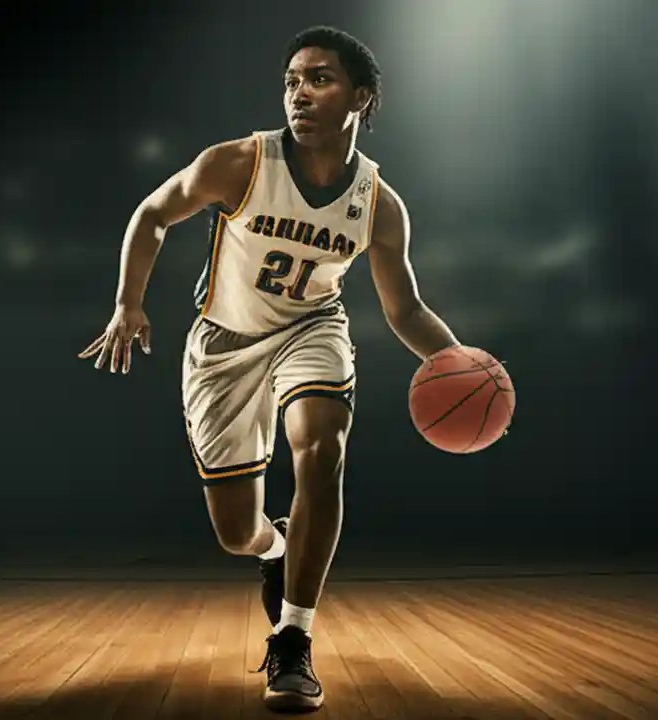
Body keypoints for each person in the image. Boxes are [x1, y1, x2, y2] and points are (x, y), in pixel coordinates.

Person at [78, 25, 463, 712]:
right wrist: (126, 304)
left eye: (319, 79)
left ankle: (293, 638)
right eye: (292, 80)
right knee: (235, 532)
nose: (300, 93)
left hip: (311, 330)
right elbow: (152, 214)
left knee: (322, 450)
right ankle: (272, 545)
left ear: (361, 98)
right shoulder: (237, 163)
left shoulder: (379, 204)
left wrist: (456, 361)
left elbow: (405, 310)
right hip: (224, 347)